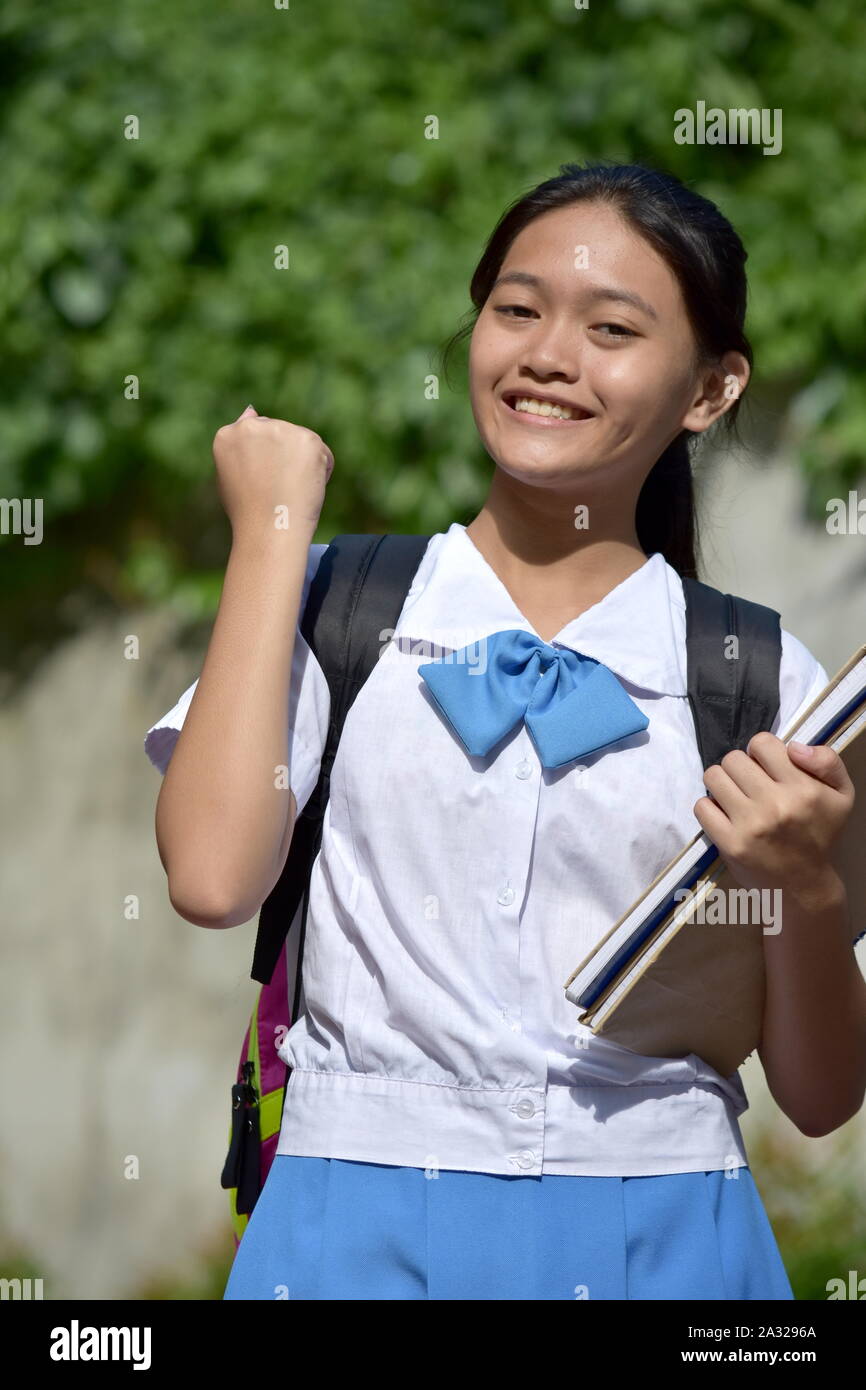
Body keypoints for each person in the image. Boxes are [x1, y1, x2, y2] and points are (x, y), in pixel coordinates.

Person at [145, 161, 864, 1301]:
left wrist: (803, 885)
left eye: (611, 328)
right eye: (516, 309)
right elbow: (212, 875)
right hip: (350, 1222)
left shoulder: (757, 675)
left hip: (668, 1230)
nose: (546, 355)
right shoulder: (341, 605)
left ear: (710, 389)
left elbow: (821, 1098)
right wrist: (273, 533)